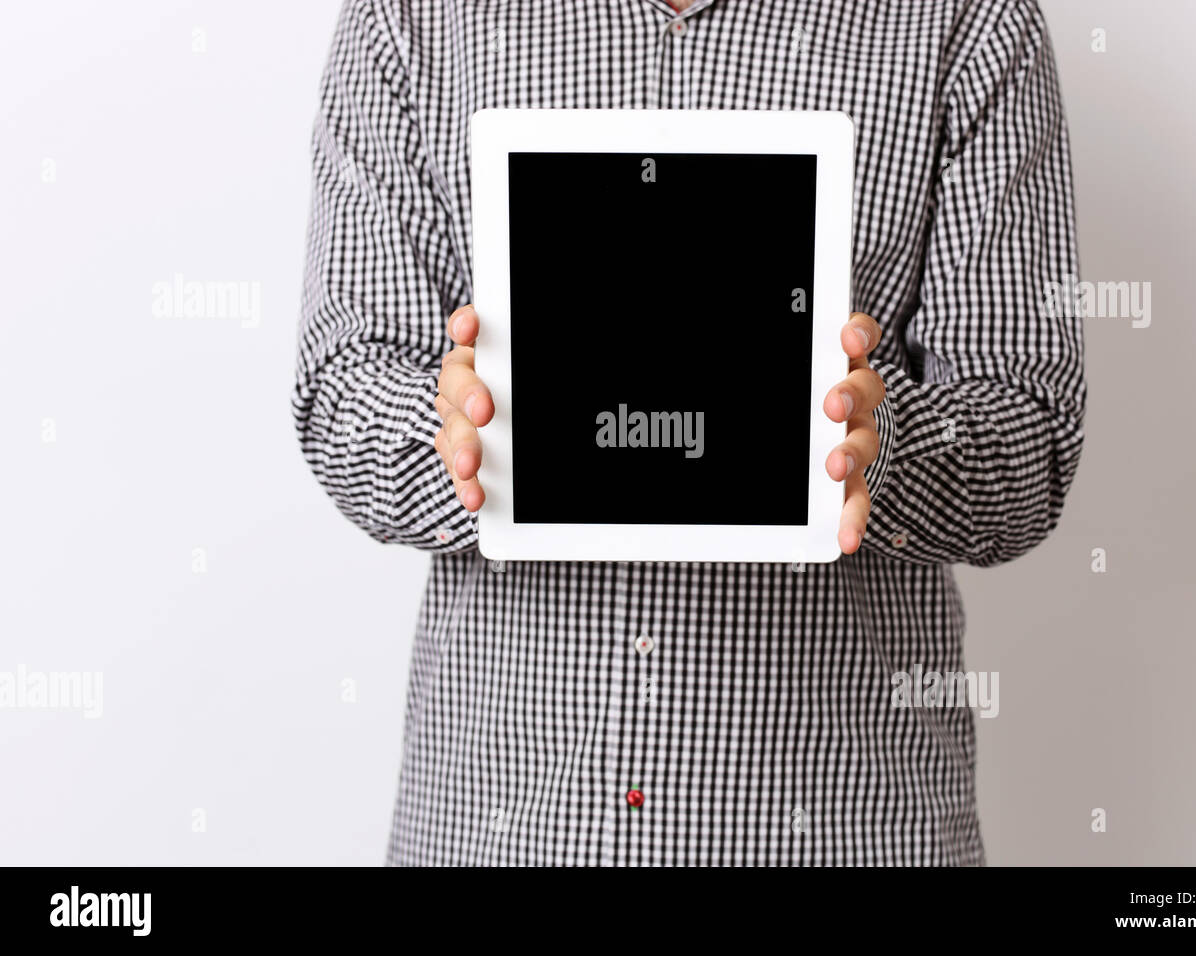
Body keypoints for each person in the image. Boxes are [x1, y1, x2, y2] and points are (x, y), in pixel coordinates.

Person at [294, 0, 1084, 865]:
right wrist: (456, 433)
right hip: (503, 827)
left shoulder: (967, 20)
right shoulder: (414, 16)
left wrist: (879, 442)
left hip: (847, 828)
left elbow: (1032, 440)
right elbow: (339, 397)